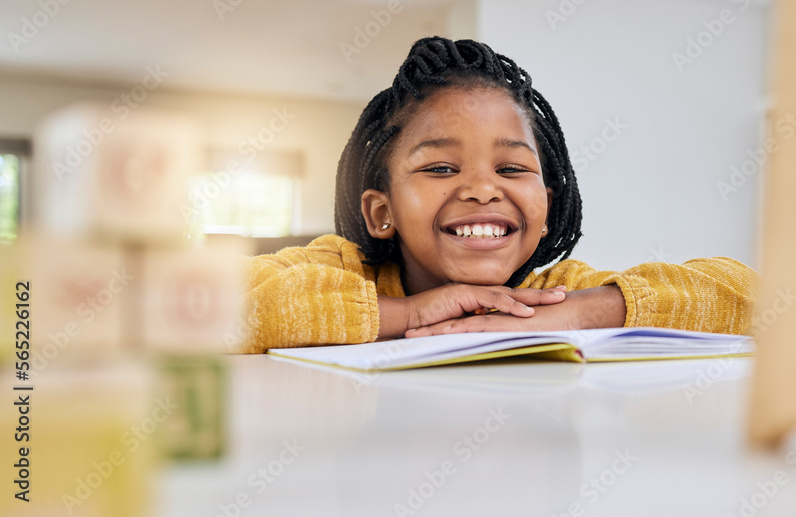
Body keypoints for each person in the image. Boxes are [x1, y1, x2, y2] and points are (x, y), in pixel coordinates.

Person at [239, 37, 757, 354]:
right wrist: (412, 313)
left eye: (511, 167)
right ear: (382, 212)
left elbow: (755, 300)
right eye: (441, 167)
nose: (483, 189)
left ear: (548, 208)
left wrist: (584, 314)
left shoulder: (556, 290)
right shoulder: (343, 268)